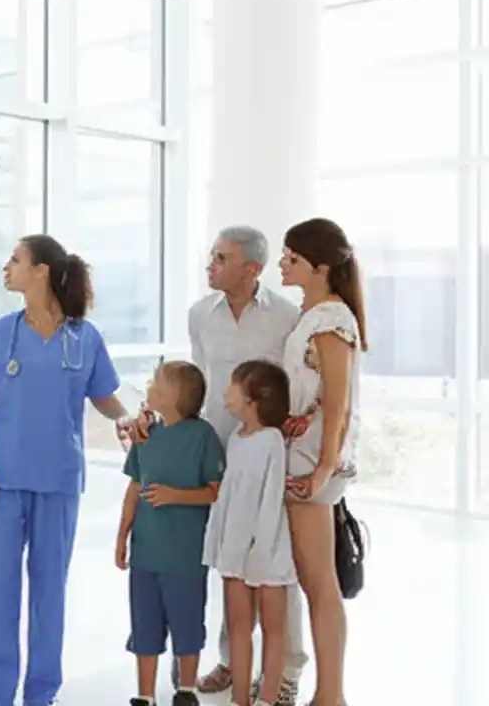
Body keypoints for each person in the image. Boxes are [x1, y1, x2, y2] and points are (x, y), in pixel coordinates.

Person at [125, 226, 305, 705]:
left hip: (267, 452)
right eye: (211, 256)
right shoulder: (200, 315)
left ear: (252, 268)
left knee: (274, 560)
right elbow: (195, 386)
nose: (211, 264)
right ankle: (230, 659)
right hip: (217, 447)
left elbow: (296, 384)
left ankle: (285, 671)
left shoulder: (286, 317)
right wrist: (156, 417)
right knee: (227, 556)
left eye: (221, 258)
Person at [0, 234, 130, 706]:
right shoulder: (0, 333)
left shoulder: (85, 337)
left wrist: (128, 421)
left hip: (57, 482)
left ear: (41, 271)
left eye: (15, 260)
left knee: (49, 592)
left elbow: (103, 396)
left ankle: (42, 694)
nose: (6, 267)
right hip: (1, 481)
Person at [278, 218, 366, 706]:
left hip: (314, 465)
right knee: (313, 580)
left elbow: (339, 402)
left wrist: (323, 470)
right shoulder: (313, 313)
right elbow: (315, 395)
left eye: (292, 257)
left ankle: (330, 695)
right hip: (304, 457)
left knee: (318, 582)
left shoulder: (332, 317)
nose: (282, 264)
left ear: (321, 266)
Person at [116, 360, 224, 706]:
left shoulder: (203, 437)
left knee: (188, 624)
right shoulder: (146, 437)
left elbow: (216, 491)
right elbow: (134, 489)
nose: (149, 384)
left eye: (156, 382)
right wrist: (121, 538)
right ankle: (144, 696)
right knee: (144, 627)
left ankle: (186, 691)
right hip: (145, 556)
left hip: (187, 558)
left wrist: (176, 496)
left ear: (173, 395)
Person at [202, 361, 298, 706]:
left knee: (274, 628)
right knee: (239, 628)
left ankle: (267, 698)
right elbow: (227, 498)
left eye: (232, 387)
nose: (225, 394)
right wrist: (219, 544)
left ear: (253, 399)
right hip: (234, 548)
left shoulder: (271, 441)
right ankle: (239, 699)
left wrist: (261, 550)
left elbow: (271, 498)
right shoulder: (235, 440)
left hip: (268, 548)